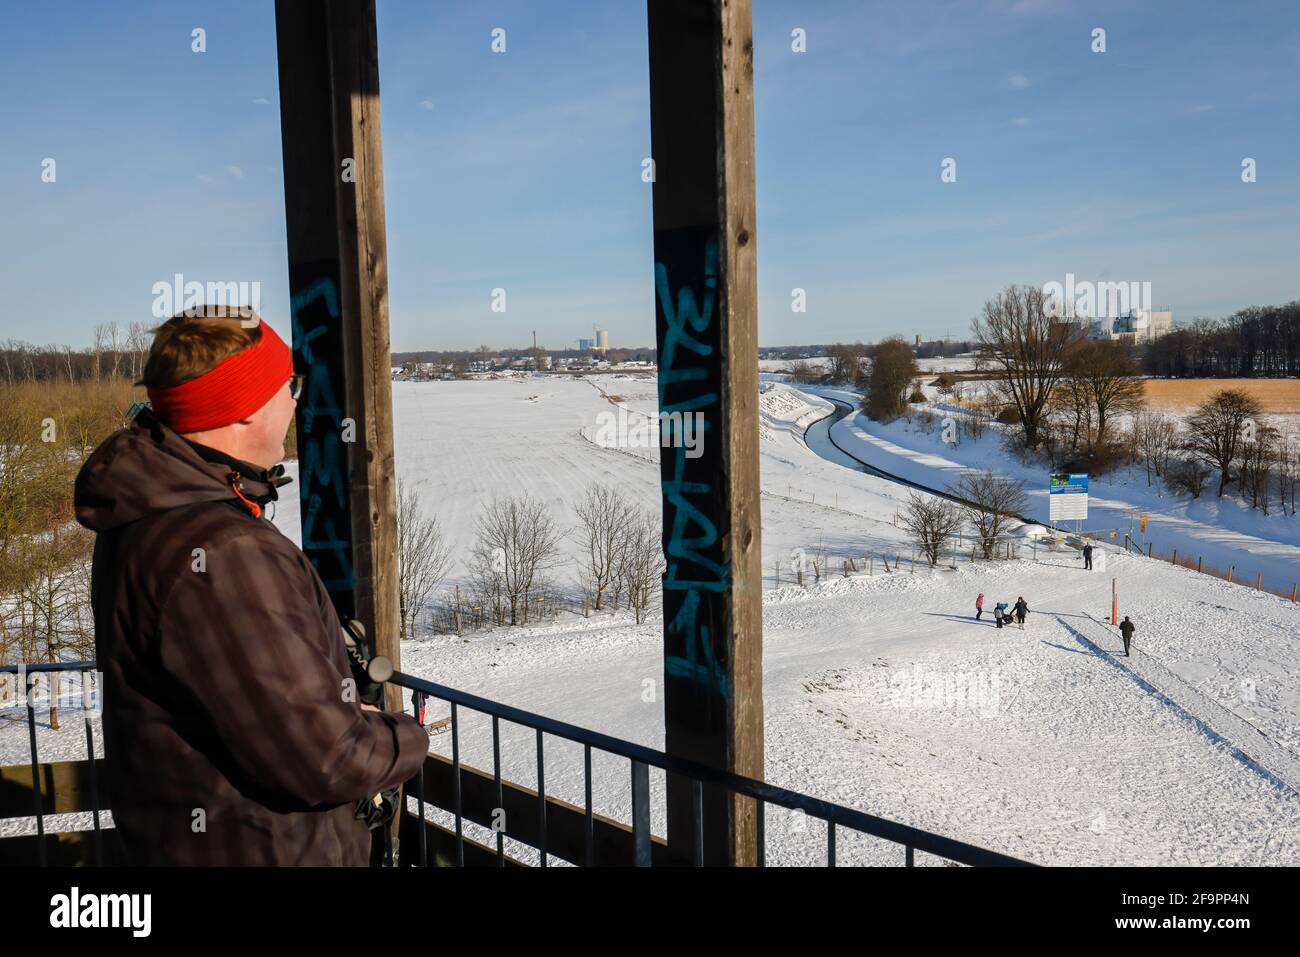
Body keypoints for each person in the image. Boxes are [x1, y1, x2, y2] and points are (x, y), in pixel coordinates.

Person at [74, 307, 428, 865]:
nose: (294, 401)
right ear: (242, 409)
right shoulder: (224, 553)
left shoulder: (153, 515)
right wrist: (407, 736)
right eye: (287, 385)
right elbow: (325, 758)